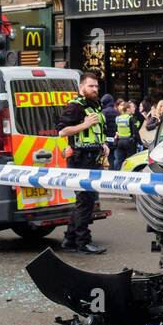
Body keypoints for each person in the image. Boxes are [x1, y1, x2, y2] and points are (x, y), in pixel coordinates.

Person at [56, 71, 108, 254]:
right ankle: (82, 242)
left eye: (96, 86)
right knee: (85, 201)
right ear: (81, 87)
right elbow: (62, 132)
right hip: (80, 159)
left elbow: (95, 132)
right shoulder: (75, 107)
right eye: (90, 86)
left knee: (84, 201)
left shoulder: (95, 105)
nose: (94, 89)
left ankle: (70, 240)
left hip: (92, 158)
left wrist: (103, 145)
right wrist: (83, 125)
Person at [112, 100, 138, 169]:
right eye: (132, 107)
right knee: (130, 161)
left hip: (119, 141)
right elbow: (135, 132)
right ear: (128, 109)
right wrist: (140, 142)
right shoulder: (131, 118)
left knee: (119, 161)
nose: (134, 108)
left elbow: (115, 130)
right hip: (129, 142)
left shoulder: (118, 118)